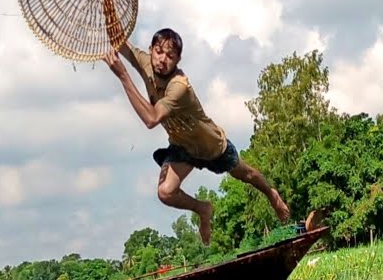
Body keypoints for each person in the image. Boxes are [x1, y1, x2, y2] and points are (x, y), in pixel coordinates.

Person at [101, 25, 291, 245]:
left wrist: (123, 76)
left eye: (170, 56)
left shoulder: (178, 86)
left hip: (211, 146)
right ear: (151, 49)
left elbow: (152, 119)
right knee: (165, 192)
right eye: (159, 52)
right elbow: (117, 37)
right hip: (182, 147)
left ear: (178, 60)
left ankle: (272, 194)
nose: (163, 59)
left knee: (247, 174)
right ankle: (202, 209)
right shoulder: (145, 62)